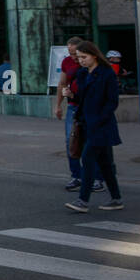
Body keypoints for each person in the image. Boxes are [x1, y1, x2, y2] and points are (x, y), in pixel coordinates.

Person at [65, 41, 124, 213]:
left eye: (84, 57)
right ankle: (116, 198)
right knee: (105, 165)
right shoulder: (83, 73)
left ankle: (83, 201)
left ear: (94, 56)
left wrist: (99, 119)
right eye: (79, 57)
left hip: (101, 125)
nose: (81, 60)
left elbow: (112, 102)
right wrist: (71, 95)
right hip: (86, 123)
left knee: (88, 159)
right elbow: (82, 97)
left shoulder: (106, 74)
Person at [54, 36, 101, 192]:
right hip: (74, 107)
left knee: (91, 142)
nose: (74, 57)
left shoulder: (90, 64)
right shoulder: (67, 62)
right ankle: (77, 175)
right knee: (71, 141)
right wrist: (58, 105)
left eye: (76, 53)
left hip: (90, 107)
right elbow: (62, 83)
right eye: (71, 53)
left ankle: (96, 177)